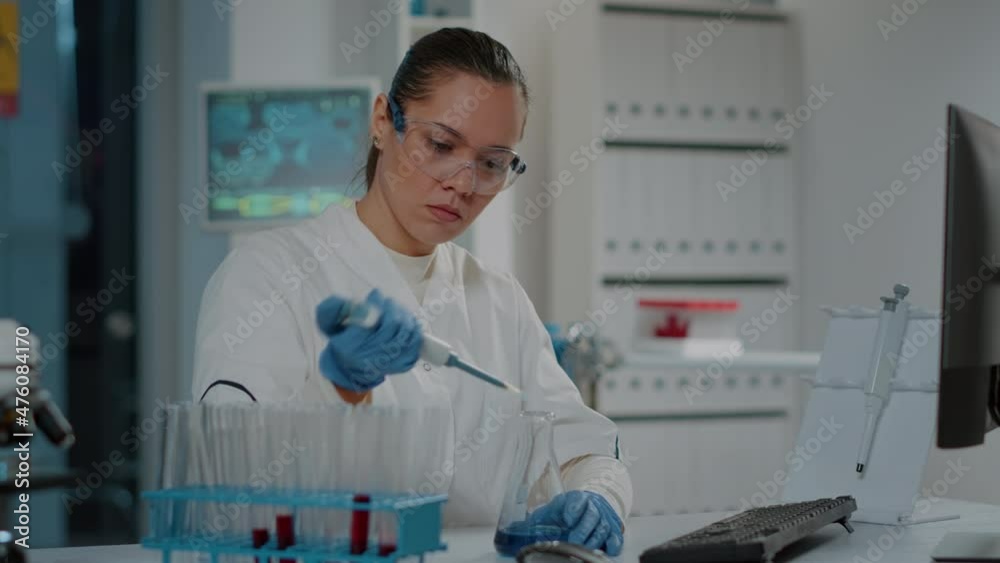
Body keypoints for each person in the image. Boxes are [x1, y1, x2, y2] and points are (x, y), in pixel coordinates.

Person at [192, 28, 632, 555]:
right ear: (383, 121)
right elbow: (230, 485)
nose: (464, 183)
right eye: (441, 145)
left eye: (492, 163)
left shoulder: (499, 298)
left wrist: (598, 497)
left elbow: (585, 449)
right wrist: (338, 391)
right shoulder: (266, 274)